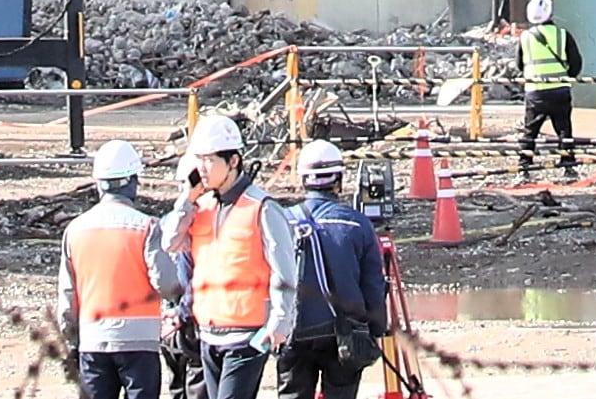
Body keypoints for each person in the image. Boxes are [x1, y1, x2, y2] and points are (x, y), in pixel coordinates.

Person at [165, 110, 301, 399]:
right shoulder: (199, 208)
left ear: (233, 161)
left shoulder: (262, 207)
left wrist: (280, 322)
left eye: (209, 159)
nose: (201, 167)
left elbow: (285, 272)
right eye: (198, 159)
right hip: (208, 334)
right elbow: (170, 243)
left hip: (248, 336)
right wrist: (185, 200)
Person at [61, 141, 182, 399]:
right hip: (140, 343)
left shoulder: (75, 230)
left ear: (98, 184)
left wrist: (72, 342)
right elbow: (167, 284)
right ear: (132, 181)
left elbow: (67, 296)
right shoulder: (147, 226)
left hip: (93, 341)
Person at [276, 141, 389, 399]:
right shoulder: (357, 224)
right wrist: (376, 330)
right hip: (345, 333)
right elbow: (373, 286)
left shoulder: (282, 221)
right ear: (338, 179)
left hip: (294, 331)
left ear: (303, 179)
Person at [515, 0, 584, 184]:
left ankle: (524, 168)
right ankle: (568, 167)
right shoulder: (562, 35)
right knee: (564, 130)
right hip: (560, 90)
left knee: (530, 132)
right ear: (551, 13)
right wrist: (566, 76)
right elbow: (576, 63)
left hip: (535, 91)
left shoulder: (525, 38)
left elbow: (519, 63)